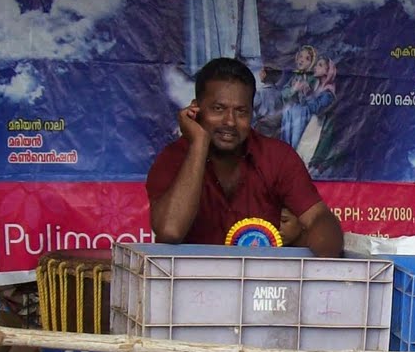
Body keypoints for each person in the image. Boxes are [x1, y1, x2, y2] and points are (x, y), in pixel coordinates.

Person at [148, 56, 345, 255]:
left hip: (262, 283)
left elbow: (320, 218)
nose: (230, 121)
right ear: (196, 108)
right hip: (189, 282)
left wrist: (322, 268)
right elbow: (169, 232)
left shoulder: (277, 157)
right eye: (218, 109)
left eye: (241, 111)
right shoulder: (173, 158)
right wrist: (198, 144)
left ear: (252, 113)